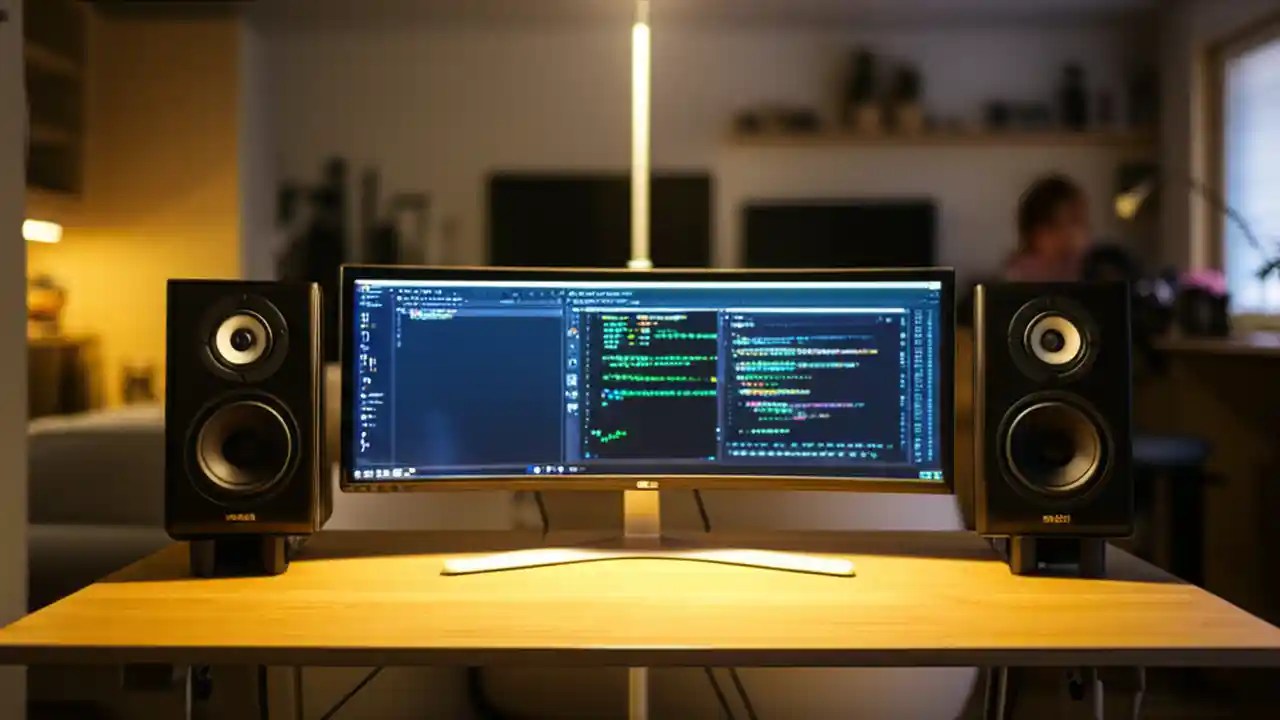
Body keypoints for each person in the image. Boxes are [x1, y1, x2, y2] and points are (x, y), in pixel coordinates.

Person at [1005, 174, 1092, 282]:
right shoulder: (1018, 277)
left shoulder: (1085, 270)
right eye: (1074, 221)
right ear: (1041, 233)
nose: (1084, 231)